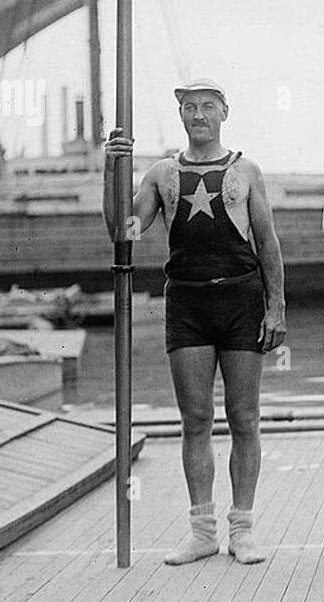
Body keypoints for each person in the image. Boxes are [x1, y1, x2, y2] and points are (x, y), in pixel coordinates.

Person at [103, 78, 287, 566]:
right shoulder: (162, 173)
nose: (199, 114)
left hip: (241, 300)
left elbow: (268, 243)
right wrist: (111, 167)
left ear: (224, 112)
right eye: (189, 107)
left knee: (244, 418)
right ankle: (202, 529)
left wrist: (276, 307)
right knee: (197, 419)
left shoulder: (245, 170)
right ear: (180, 115)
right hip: (186, 304)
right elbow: (122, 230)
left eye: (208, 106)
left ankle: (242, 528)